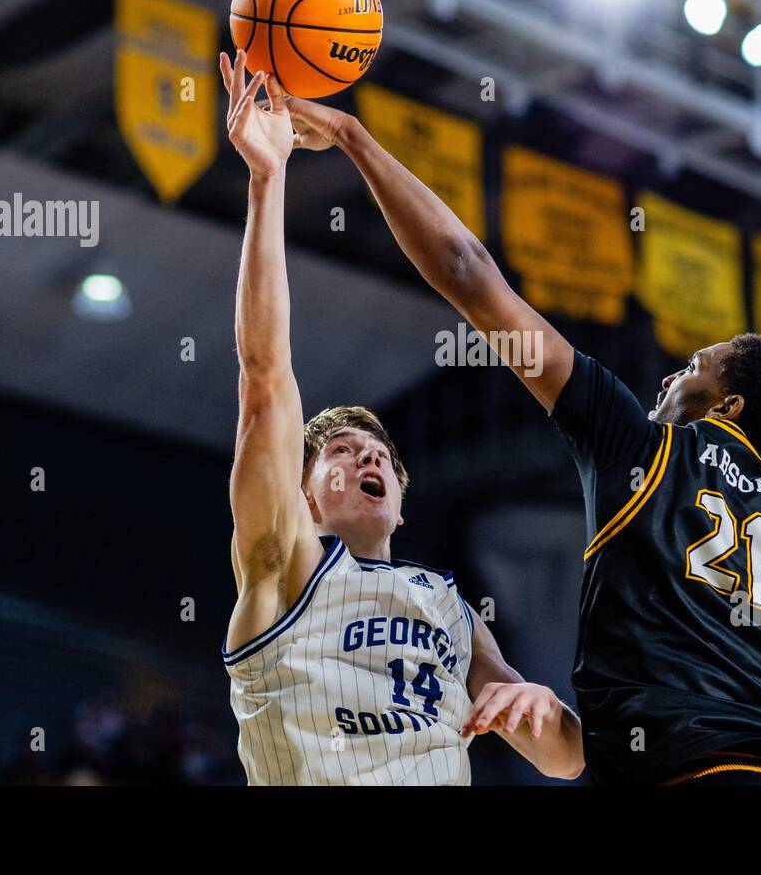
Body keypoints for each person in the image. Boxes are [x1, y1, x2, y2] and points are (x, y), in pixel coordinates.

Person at [282, 92, 761, 786]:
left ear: (727, 403)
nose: (667, 383)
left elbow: (468, 270)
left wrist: (355, 137)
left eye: (691, 368)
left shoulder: (640, 446)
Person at [218, 50, 583, 785]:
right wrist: (268, 178)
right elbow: (264, 379)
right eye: (345, 454)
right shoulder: (283, 563)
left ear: (403, 504)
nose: (370, 460)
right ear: (306, 494)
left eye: (380, 455)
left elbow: (564, 758)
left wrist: (541, 708)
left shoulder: (448, 605)